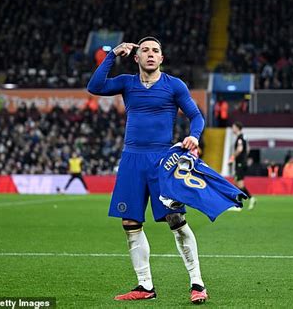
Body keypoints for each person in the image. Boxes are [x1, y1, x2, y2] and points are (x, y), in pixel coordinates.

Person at [87, 37, 208, 304]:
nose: (150, 54)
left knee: (176, 220)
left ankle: (197, 283)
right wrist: (112, 55)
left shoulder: (174, 85)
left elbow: (196, 116)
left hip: (162, 160)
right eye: (145, 50)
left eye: (155, 51)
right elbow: (94, 86)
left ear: (161, 58)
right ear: (136, 57)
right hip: (131, 160)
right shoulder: (127, 83)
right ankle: (145, 286)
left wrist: (195, 136)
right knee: (130, 222)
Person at [227, 121, 256, 209]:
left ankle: (250, 198)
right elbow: (247, 149)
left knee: (239, 184)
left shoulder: (240, 138)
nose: (232, 129)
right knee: (237, 183)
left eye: (233, 127)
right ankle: (239, 205)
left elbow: (240, 149)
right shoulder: (244, 137)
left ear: (237, 128)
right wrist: (245, 158)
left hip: (240, 163)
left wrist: (232, 157)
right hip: (242, 162)